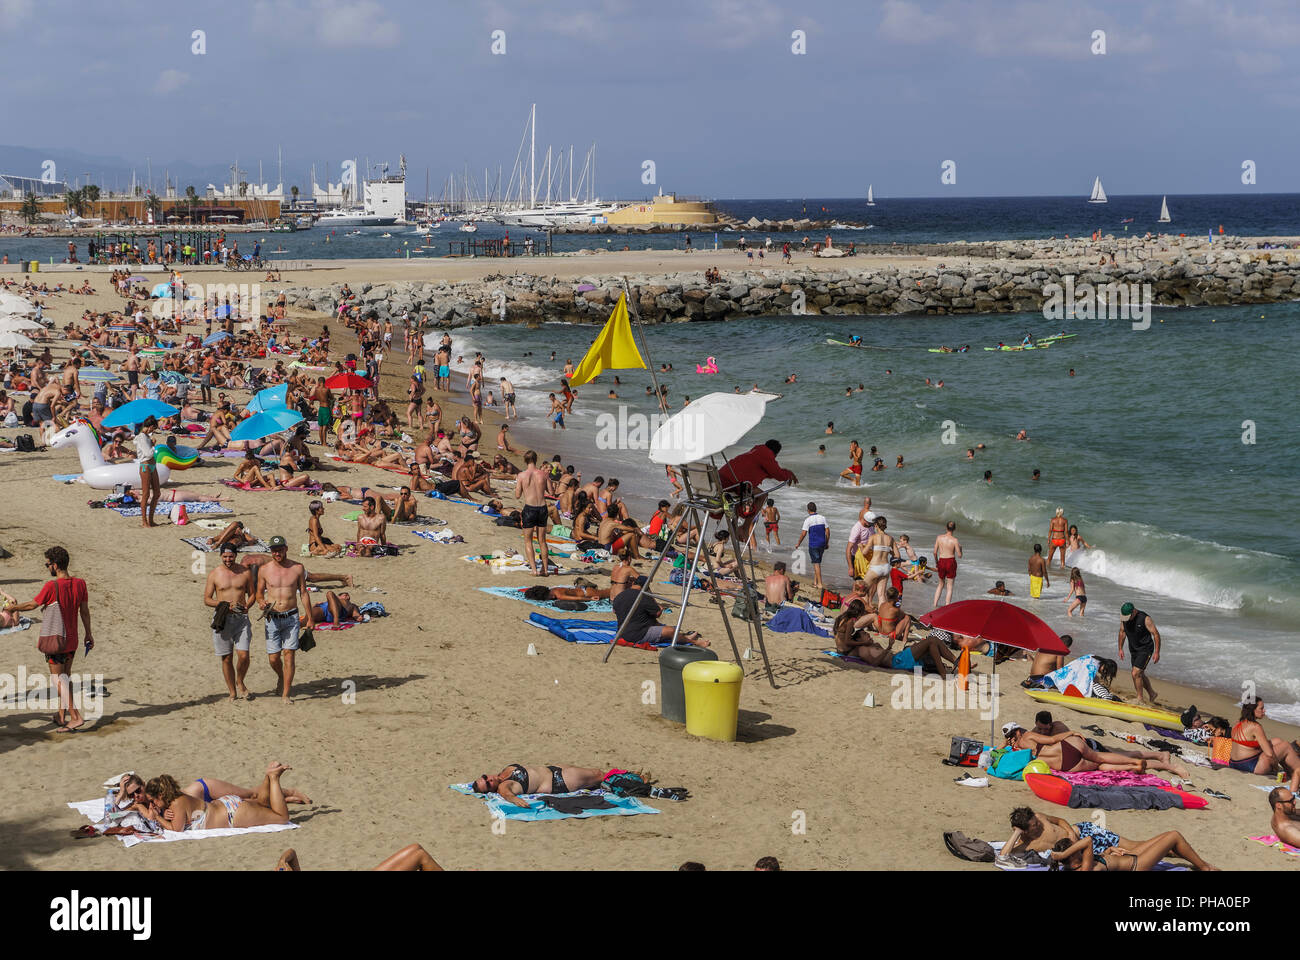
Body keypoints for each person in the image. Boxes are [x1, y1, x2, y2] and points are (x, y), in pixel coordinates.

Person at [8, 546, 92, 731]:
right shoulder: (80, 584)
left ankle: (75, 716)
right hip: (72, 640)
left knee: (58, 679)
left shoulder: (52, 586)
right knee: (65, 677)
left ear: (55, 565)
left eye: (47, 564)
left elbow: (32, 605)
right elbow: (84, 612)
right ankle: (61, 715)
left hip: (56, 641)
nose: (47, 568)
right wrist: (89, 633)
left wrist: (13, 609)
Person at [144, 762, 295, 832]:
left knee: (282, 817)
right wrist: (162, 812)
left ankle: (273, 778)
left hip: (233, 815)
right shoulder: (179, 796)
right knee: (263, 803)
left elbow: (176, 829)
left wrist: (157, 817)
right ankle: (267, 778)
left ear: (161, 795)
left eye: (153, 800)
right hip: (227, 805)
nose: (153, 804)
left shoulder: (176, 804)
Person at [255, 536, 313, 702]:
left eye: (280, 549)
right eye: (274, 550)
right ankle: (281, 676)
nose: (277, 553)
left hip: (291, 617)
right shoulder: (264, 570)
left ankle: (286, 694)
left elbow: (303, 592)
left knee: (289, 655)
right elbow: (259, 592)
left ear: (286, 549)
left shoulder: (297, 568)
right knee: (273, 658)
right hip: (272, 617)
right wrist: (260, 601)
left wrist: (309, 617)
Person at [717, 440, 798, 543]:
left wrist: (786, 472)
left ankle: (734, 527)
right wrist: (788, 474)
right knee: (762, 495)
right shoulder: (766, 454)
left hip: (720, 483)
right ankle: (745, 528)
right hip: (732, 485)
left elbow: (767, 471)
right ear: (775, 454)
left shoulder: (755, 451)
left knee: (740, 495)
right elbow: (777, 473)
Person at [204, 542, 255, 700]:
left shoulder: (245, 572)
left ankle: (240, 681)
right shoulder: (215, 574)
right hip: (223, 618)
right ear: (220, 556)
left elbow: (252, 594)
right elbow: (207, 599)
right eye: (225, 556)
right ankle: (232, 691)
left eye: (231, 556)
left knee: (244, 655)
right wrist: (223, 604)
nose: (228, 559)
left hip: (241, 618)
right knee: (226, 657)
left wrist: (247, 605)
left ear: (236, 555)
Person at [1049, 832, 1216, 872]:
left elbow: (1098, 857)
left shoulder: (1083, 862)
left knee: (1167, 839)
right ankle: (1204, 867)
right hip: (1137, 864)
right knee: (1174, 836)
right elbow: (1088, 841)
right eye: (1075, 847)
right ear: (1071, 855)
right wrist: (1062, 855)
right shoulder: (1083, 869)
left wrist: (1109, 850)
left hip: (1129, 856)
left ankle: (1195, 861)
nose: (1079, 845)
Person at [1226, 699, 1300, 788]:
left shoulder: (1238, 723)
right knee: (1286, 746)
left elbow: (1249, 745)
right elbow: (1269, 754)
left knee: (1277, 741)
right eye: (1261, 708)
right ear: (1253, 710)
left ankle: (1290, 772)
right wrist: (1275, 767)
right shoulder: (1255, 727)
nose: (1264, 711)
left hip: (1234, 763)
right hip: (1251, 766)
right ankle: (1298, 772)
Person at [612, 580, 705, 648]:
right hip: (637, 635)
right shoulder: (643, 596)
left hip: (621, 632)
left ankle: (685, 637)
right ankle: (694, 642)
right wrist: (660, 607)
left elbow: (614, 611)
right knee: (670, 630)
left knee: (654, 623)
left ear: (633, 583)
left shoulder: (620, 595)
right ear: (647, 587)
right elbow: (657, 613)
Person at [471, 763, 610, 807]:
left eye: (485, 778)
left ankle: (626, 775)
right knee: (599, 775)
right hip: (558, 781)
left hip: (554, 769)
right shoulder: (504, 785)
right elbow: (506, 794)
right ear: (492, 789)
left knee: (598, 774)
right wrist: (516, 800)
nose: (489, 780)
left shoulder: (504, 772)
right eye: (488, 785)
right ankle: (629, 776)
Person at [1117, 602, 1160, 703]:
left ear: (1134, 612)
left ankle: (1140, 698)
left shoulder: (1145, 618)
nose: (1125, 619)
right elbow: (1122, 632)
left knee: (1135, 673)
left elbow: (1156, 634)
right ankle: (1152, 694)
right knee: (1140, 674)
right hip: (1134, 649)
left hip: (1146, 649)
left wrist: (1157, 652)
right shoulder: (1124, 619)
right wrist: (1120, 648)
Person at [793, 502, 829, 591]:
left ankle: (820, 584)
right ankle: (815, 582)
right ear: (816, 509)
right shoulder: (822, 518)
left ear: (808, 510)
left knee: (816, 563)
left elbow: (803, 534)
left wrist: (798, 543)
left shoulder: (808, 520)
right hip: (822, 543)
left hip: (814, 544)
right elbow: (827, 531)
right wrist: (826, 542)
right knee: (818, 562)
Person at [134, 415, 161, 528]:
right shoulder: (141, 437)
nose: (153, 431)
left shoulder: (145, 437)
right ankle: (144, 521)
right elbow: (148, 453)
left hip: (152, 466)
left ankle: (151, 520)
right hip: (145, 466)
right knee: (146, 494)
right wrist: (154, 446)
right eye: (153, 428)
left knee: (157, 493)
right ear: (150, 427)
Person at [932, 520, 961, 606]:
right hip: (950, 561)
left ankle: (934, 604)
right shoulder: (955, 540)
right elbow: (959, 555)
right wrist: (961, 549)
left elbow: (934, 552)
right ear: (954, 529)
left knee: (940, 584)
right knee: (950, 586)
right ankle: (947, 605)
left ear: (946, 528)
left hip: (941, 560)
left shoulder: (939, 537)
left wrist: (937, 563)